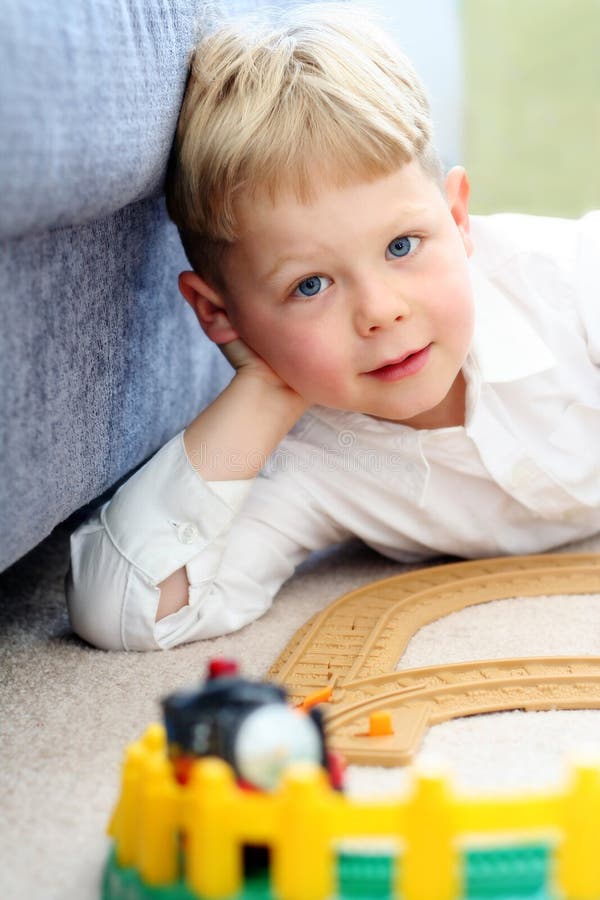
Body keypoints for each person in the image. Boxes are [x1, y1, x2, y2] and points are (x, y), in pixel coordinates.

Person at [66, 3, 600, 651]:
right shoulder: (312, 464)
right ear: (220, 315)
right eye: (310, 286)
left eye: (402, 245)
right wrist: (266, 387)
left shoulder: (568, 287)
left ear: (458, 220)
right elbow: (128, 610)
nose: (380, 310)